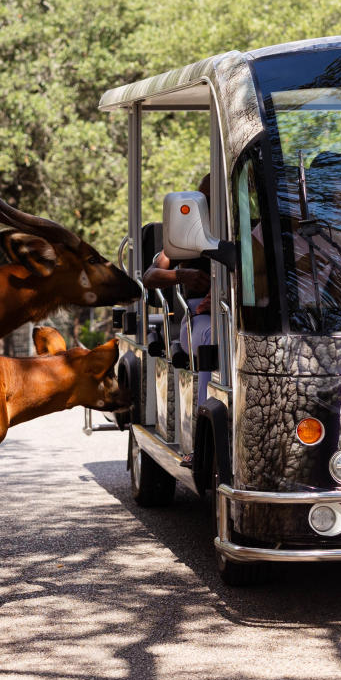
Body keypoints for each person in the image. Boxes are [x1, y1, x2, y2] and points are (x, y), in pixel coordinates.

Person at [143, 175, 213, 465]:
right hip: (199, 316)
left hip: (243, 314)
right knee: (214, 345)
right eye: (207, 200)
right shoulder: (186, 234)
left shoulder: (248, 229)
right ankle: (203, 442)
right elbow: (150, 277)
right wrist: (181, 276)